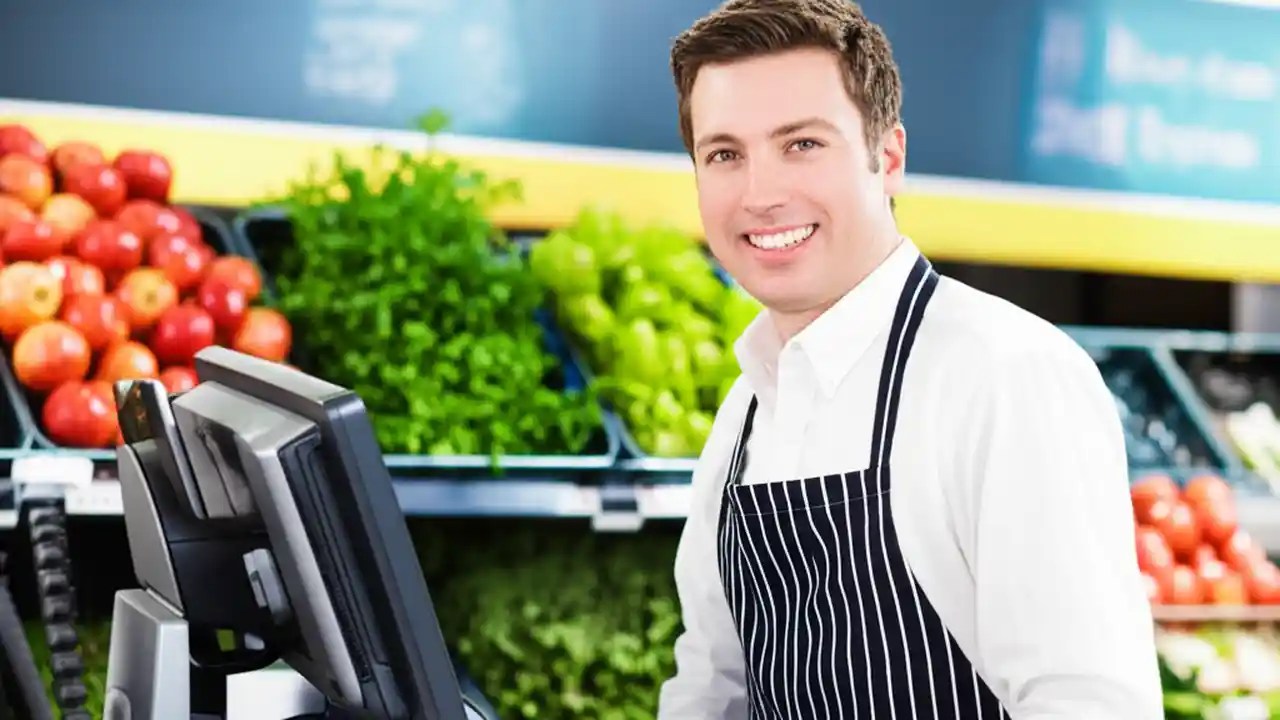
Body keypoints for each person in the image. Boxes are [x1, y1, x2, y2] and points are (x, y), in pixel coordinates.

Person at [655, 1, 1164, 718]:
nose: (761, 195)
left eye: (802, 144)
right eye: (725, 154)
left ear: (887, 158)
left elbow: (1085, 702)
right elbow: (711, 688)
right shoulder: (745, 412)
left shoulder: (1003, 373)